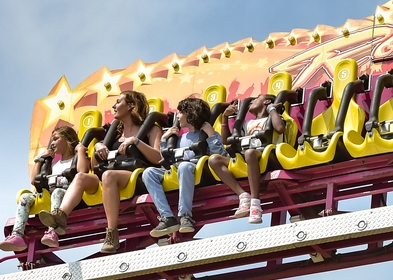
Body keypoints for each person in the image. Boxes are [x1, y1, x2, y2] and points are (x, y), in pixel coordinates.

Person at [39, 90, 162, 253]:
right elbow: (93, 167)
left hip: (135, 175)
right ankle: (61, 215)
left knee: (108, 175)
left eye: (118, 102)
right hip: (108, 177)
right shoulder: (113, 136)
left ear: (131, 105)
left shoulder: (151, 130)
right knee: (82, 176)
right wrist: (98, 146)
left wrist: (137, 141)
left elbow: (158, 158)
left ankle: (111, 233)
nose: (114, 105)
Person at [144, 97, 227, 238]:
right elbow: (166, 158)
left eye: (181, 113)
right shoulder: (179, 137)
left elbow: (220, 155)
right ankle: (167, 217)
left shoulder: (207, 134)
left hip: (197, 171)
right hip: (177, 169)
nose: (178, 116)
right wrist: (165, 139)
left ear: (190, 114)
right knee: (148, 173)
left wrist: (211, 135)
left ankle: (185, 215)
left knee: (184, 166)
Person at [208, 93, 286, 225]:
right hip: (247, 157)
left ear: (266, 101)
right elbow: (226, 141)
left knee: (250, 153)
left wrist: (272, 110)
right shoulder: (248, 123)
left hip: (267, 154)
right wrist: (225, 118)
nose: (251, 102)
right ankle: (243, 195)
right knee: (214, 160)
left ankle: (255, 203)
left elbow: (280, 128)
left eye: (256, 99)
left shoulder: (274, 117)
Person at [1, 126, 80, 253]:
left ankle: (52, 231)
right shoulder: (54, 165)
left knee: (57, 192)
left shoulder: (74, 160)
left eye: (56, 139)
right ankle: (17, 235)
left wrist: (80, 151)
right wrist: (40, 160)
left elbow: (81, 172)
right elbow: (33, 180)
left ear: (68, 140)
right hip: (47, 195)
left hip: (66, 195)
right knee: (25, 197)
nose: (52, 143)